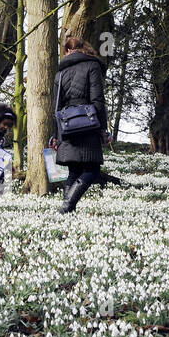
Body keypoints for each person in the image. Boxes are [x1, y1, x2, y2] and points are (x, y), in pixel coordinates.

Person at [52, 35, 110, 214]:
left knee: (74, 170)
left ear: (68, 51)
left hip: (67, 126)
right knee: (92, 169)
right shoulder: (92, 66)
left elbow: (56, 107)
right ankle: (66, 208)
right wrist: (103, 129)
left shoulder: (60, 73)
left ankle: (67, 211)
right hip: (88, 124)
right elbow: (98, 100)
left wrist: (56, 135)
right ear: (84, 48)